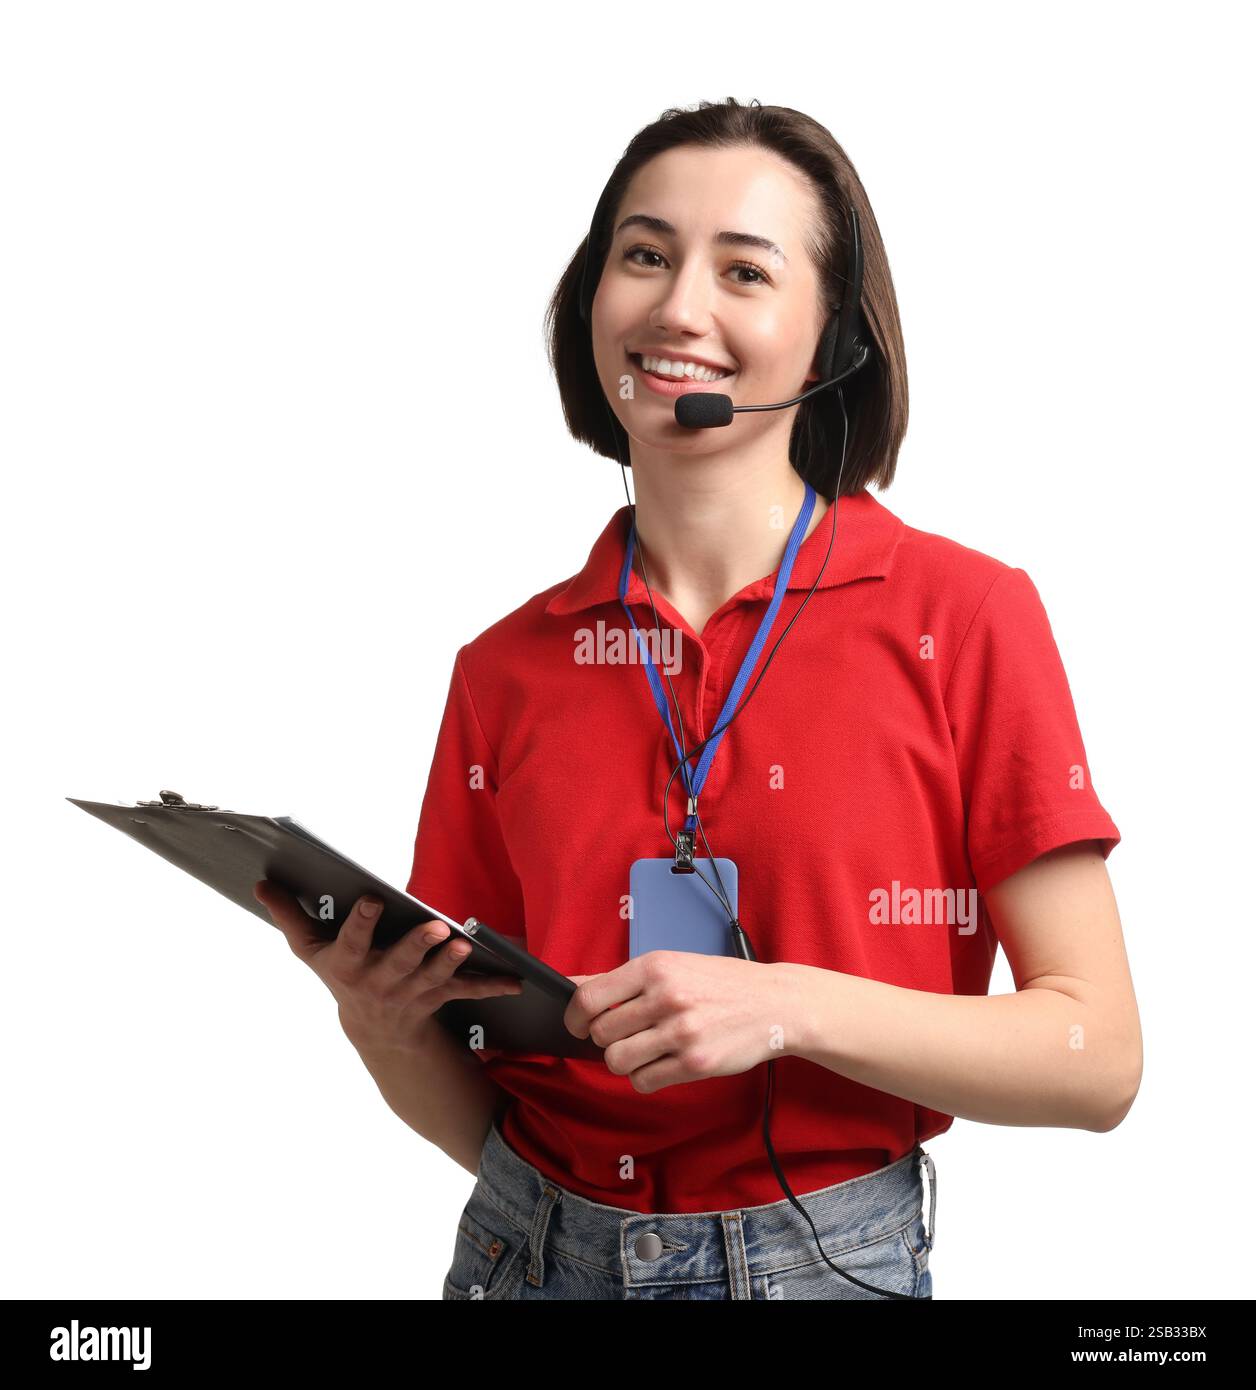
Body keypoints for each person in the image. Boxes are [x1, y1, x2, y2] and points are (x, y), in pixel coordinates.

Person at [256, 98, 1141, 1301]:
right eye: (644, 254)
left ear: (830, 338)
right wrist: (381, 1025)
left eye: (743, 271)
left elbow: (1095, 1057)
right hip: (523, 1248)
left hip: (821, 1264)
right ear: (591, 303)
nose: (677, 309)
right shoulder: (502, 668)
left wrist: (784, 1006)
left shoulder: (966, 615)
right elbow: (477, 1112)